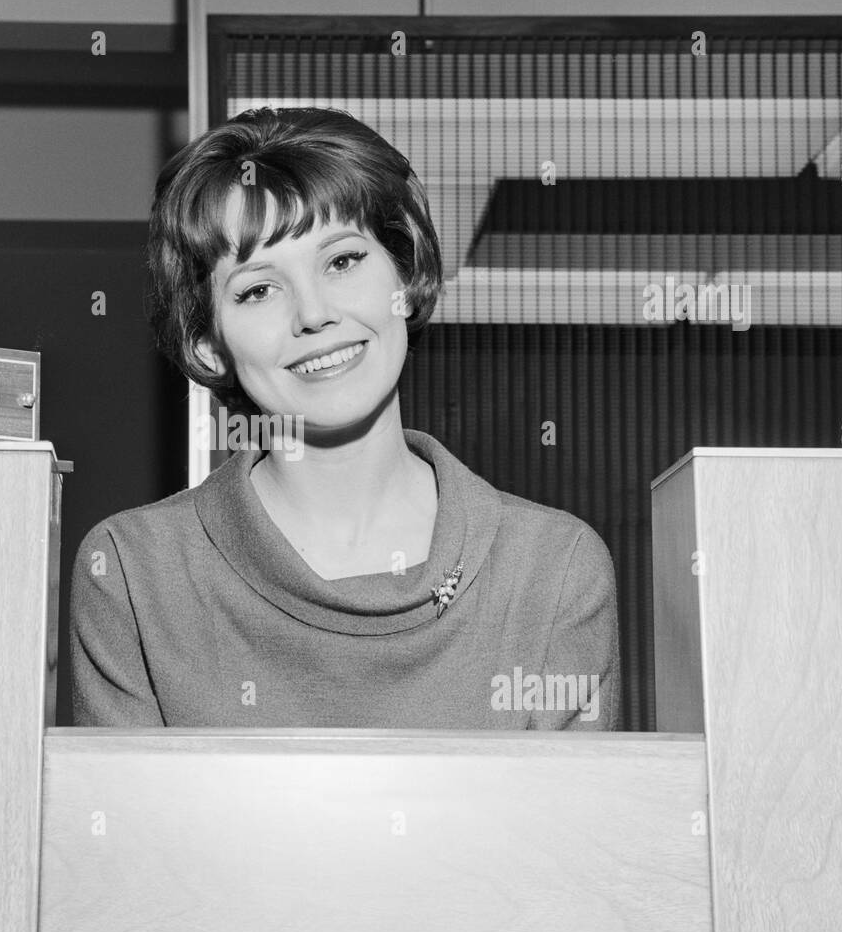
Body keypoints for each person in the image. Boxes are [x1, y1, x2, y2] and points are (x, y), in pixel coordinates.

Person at [69, 106, 621, 730]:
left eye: (342, 261)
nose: (314, 313)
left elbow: (574, 826)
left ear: (406, 271)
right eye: (258, 289)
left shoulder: (553, 569)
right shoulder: (134, 575)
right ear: (207, 341)